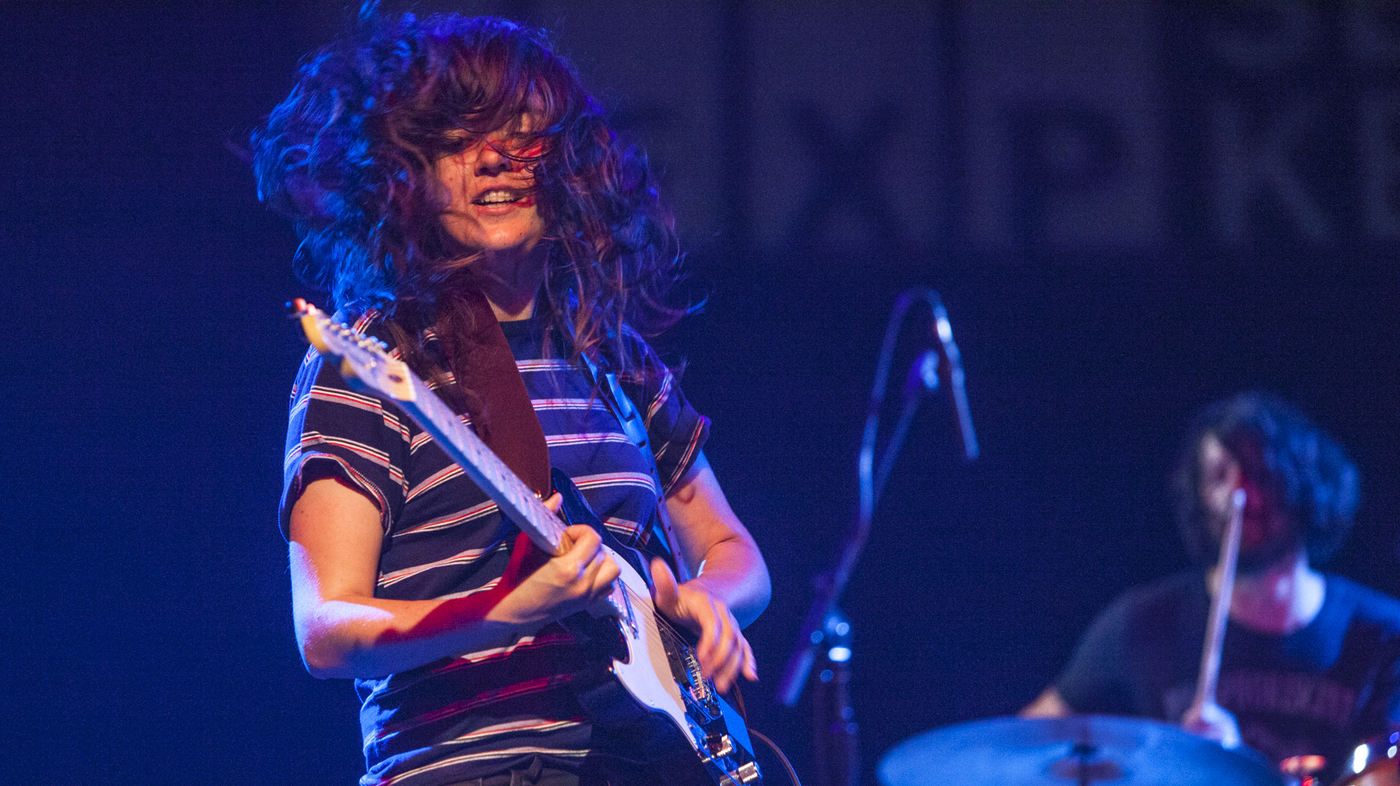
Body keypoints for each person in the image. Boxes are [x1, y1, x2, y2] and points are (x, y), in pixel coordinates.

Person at [253, 8, 770, 786]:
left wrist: (706, 601)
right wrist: (506, 608)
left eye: (521, 135)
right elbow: (325, 630)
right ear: (408, 179)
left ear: (563, 164)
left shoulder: (612, 358)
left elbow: (736, 552)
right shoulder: (374, 365)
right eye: (457, 141)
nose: (493, 159)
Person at [1023, 392, 1400, 780]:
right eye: (1219, 475)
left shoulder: (1383, 636)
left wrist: (1232, 762)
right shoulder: (1142, 624)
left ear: (1305, 486)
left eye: (1259, 473)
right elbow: (1021, 749)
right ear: (1198, 496)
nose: (1237, 494)